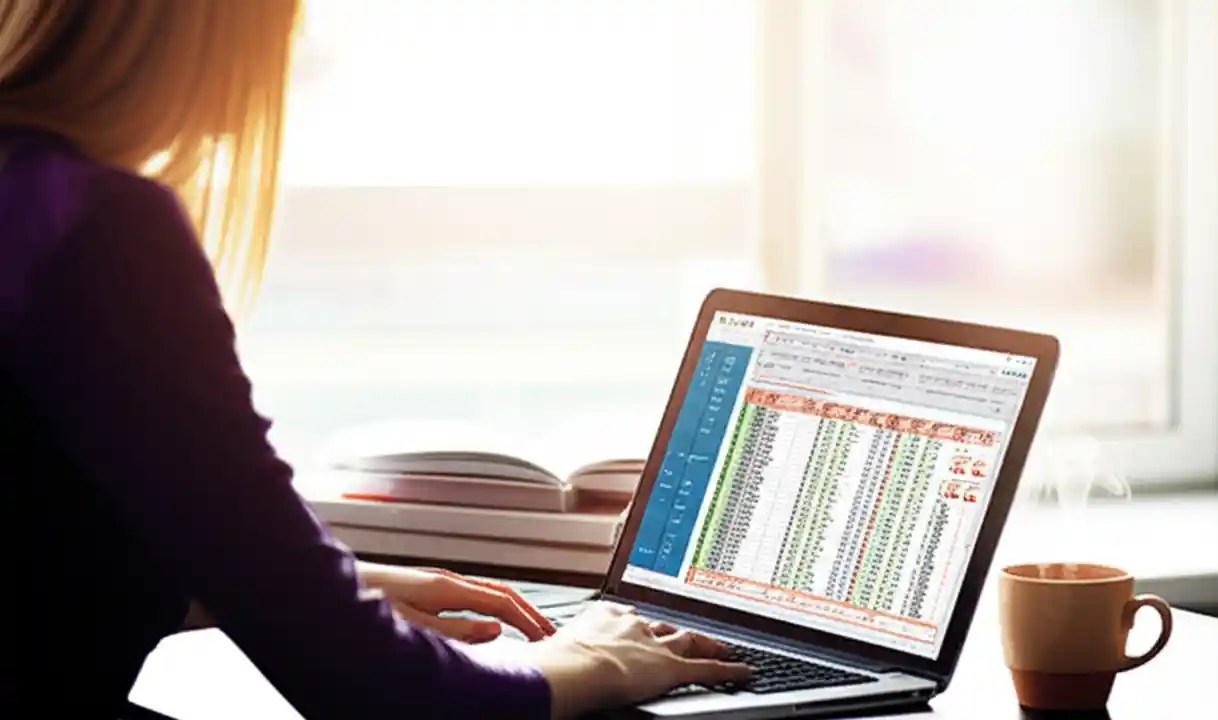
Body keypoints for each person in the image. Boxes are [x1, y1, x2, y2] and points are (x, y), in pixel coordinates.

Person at [0, 1, 748, 718]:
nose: (291, 54)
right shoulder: (98, 230)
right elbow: (391, 699)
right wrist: (594, 659)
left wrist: (295, 594)